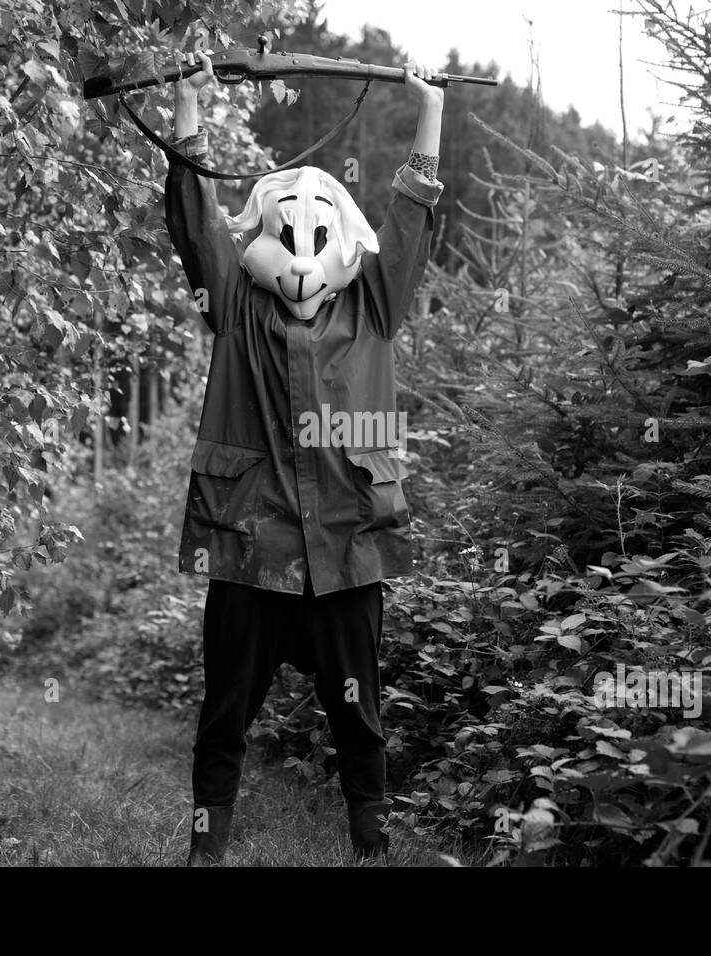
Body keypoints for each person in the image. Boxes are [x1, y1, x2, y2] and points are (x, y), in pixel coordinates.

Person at [163, 49, 445, 864]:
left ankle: (374, 845)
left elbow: (412, 216)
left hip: (348, 550)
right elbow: (195, 219)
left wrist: (429, 109)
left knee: (360, 715)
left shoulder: (376, 303)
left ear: (343, 239)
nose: (298, 259)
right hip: (253, 549)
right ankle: (205, 846)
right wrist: (187, 107)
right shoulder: (235, 303)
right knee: (225, 713)